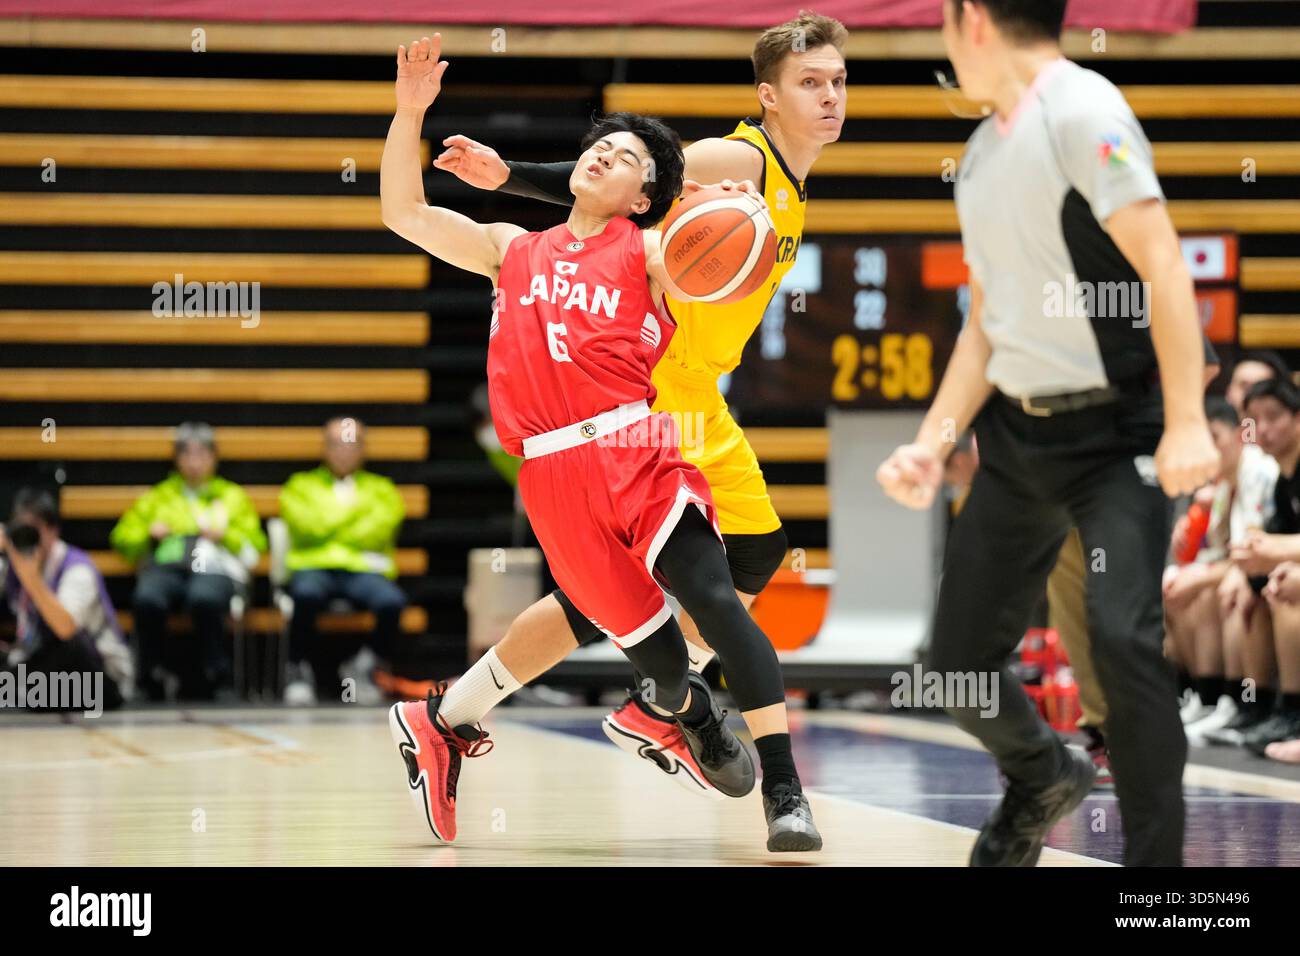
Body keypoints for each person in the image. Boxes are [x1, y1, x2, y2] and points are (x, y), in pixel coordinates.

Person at [380, 34, 820, 852]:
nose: (601, 156)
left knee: (720, 603)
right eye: (598, 146)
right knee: (658, 670)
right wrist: (409, 115)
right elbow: (403, 213)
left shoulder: (653, 252)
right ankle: (681, 716)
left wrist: (738, 213)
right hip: (552, 477)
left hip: (642, 453)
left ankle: (786, 795)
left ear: (645, 195)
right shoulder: (511, 248)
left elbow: (721, 255)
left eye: (622, 156)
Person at [876, 0, 1219, 866]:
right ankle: (1040, 776)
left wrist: (1186, 422)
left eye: (945, 21)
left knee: (1122, 641)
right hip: (1021, 442)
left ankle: (1162, 885)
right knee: (954, 660)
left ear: (974, 21)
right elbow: (987, 320)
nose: (943, 41)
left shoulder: (1086, 110)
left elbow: (1164, 264)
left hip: (1119, 434)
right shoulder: (985, 149)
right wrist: (933, 438)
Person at [110, 422, 266, 700]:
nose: (195, 462)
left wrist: (225, 535)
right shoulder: (159, 496)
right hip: (168, 566)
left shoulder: (231, 496)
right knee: (148, 598)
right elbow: (122, 538)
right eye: (188, 455)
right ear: (177, 459)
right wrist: (148, 535)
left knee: (203, 598)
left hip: (213, 566)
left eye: (202, 454)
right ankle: (150, 676)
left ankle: (215, 675)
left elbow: (255, 544)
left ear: (214, 458)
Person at [1164, 397, 1277, 744]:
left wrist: (1205, 574)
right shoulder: (1222, 485)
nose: (1211, 449)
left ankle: (1238, 701)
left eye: (1217, 437)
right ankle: (1204, 696)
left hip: (1268, 563)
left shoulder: (1258, 469)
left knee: (1221, 590)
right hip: (1247, 562)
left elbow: (1255, 546)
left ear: (1238, 435)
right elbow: (1218, 548)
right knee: (1178, 585)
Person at [280, 417, 407, 705]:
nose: (343, 452)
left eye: (351, 445)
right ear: (324, 449)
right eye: (336, 444)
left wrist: (330, 520)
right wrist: (353, 516)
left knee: (391, 602)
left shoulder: (382, 488)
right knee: (305, 595)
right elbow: (304, 526)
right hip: (314, 565)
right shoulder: (300, 485)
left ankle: (368, 666)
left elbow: (379, 530)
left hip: (363, 568)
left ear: (363, 449)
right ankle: (298, 670)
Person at [1222, 377, 1300, 755]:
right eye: (1254, 420)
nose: (1263, 429)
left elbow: (1275, 544)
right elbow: (1267, 541)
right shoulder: (1283, 484)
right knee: (1257, 587)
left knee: (1286, 589)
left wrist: (1274, 553)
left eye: (1274, 417)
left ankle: (1292, 714)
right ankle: (1254, 706)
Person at [1, 488, 132, 711]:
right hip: (42, 662)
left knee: (71, 645)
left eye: (33, 531)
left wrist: (31, 579)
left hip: (100, 674)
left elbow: (66, 628)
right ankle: (20, 691)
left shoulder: (77, 568)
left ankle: (19, 692)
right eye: (20, 530)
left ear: (53, 531)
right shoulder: (12, 562)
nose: (26, 539)